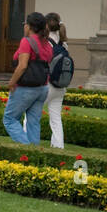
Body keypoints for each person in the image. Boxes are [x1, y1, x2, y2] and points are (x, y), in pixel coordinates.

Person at [4, 12, 53, 145]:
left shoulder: (27, 41)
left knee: (9, 119)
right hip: (42, 87)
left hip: (26, 87)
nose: (24, 27)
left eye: (25, 24)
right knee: (33, 122)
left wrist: (11, 82)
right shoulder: (47, 44)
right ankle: (34, 152)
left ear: (29, 26)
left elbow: (22, 66)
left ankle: (27, 148)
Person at [44, 12, 69, 148]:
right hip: (60, 86)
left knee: (31, 113)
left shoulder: (46, 43)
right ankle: (58, 146)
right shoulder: (63, 43)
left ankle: (27, 143)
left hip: (47, 84)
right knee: (56, 118)